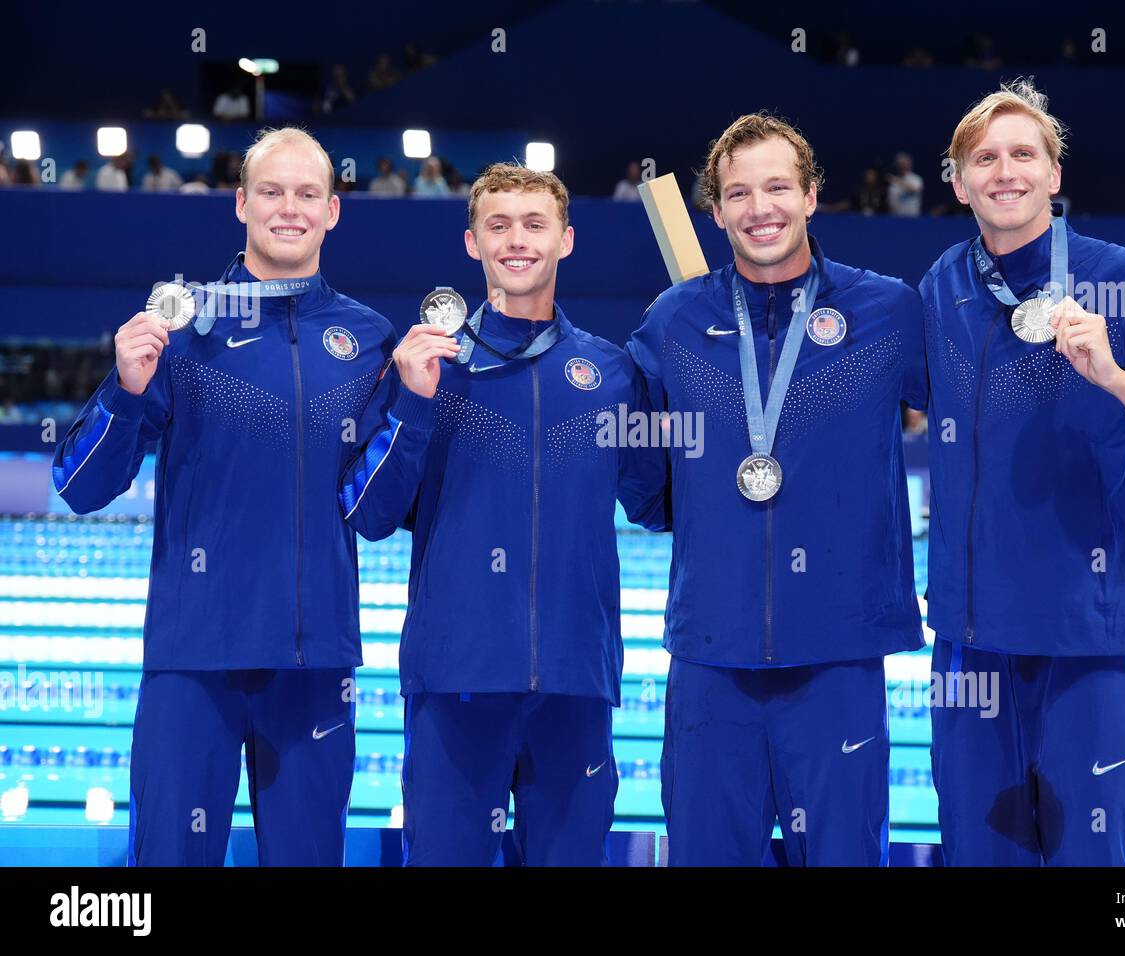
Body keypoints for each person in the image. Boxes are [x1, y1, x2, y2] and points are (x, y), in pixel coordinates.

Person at [919, 78, 1125, 866]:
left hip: (1087, 642)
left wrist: (1117, 378)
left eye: (1024, 154)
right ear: (961, 180)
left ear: (1054, 173)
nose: (1006, 171)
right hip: (969, 646)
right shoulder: (942, 285)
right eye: (985, 157)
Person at [52, 127, 395, 866]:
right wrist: (126, 388)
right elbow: (80, 489)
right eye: (271, 192)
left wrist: (422, 410)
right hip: (192, 659)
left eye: (309, 194)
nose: (290, 209)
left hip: (313, 666)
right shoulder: (183, 324)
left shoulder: (367, 338)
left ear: (333, 211)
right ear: (241, 203)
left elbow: (376, 511)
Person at [339, 162, 667, 865]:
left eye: (534, 224)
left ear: (566, 240)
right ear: (472, 244)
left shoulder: (610, 374)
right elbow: (368, 514)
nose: (517, 241)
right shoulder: (429, 366)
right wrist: (412, 403)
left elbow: (658, 503)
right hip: (455, 680)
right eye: (499, 225)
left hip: (576, 682)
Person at [628, 114, 927, 866]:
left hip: (838, 656)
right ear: (716, 210)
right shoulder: (677, 319)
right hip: (710, 655)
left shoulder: (887, 311)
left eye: (777, 187)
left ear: (812, 196)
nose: (760, 208)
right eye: (738, 193)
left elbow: (990, 393)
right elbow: (618, 436)